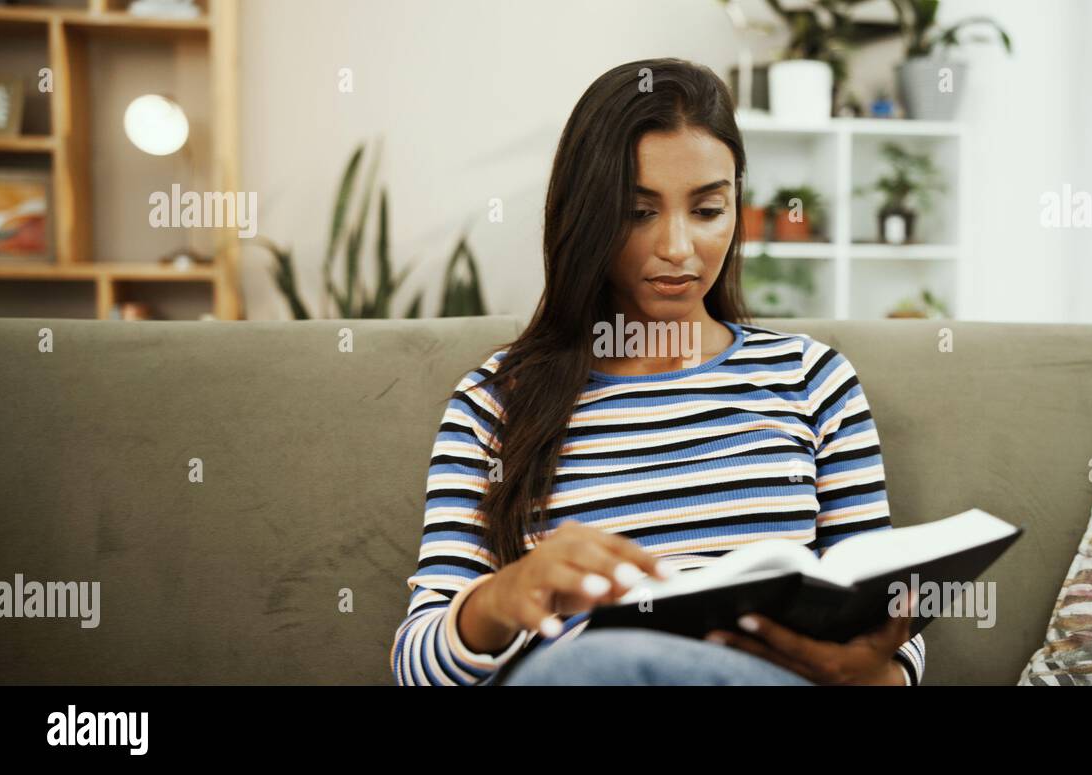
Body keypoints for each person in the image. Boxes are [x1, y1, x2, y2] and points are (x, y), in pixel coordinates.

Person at [390, 57, 925, 686]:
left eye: (706, 211)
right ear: (584, 216)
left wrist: (869, 675)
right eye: (639, 212)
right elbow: (416, 669)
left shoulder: (813, 381)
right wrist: (504, 597)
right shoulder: (493, 403)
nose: (677, 247)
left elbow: (888, 624)